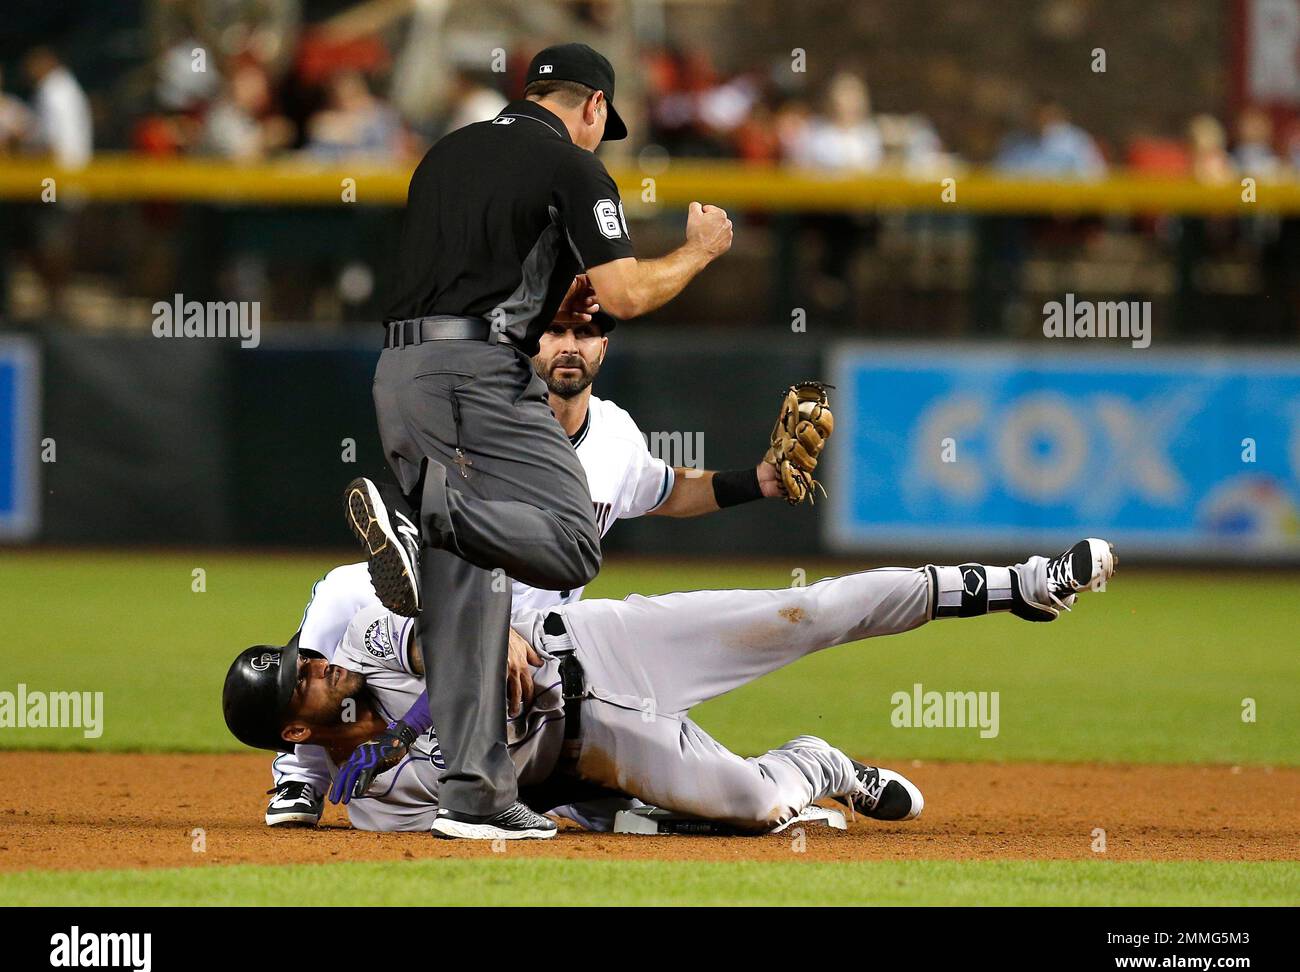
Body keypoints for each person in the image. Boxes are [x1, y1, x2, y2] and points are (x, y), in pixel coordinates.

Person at [357, 42, 732, 840]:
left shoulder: (447, 153)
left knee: (467, 589)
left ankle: (474, 796)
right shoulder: (571, 164)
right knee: (570, 537)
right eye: (605, 122)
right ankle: (430, 515)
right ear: (593, 106)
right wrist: (697, 251)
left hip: (399, 369)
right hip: (478, 372)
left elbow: (481, 269)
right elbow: (623, 293)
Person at [266, 309, 786, 826]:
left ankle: (566, 791)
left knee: (595, 791)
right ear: (525, 344)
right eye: (554, 331)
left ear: (603, 348)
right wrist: (478, 628)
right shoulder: (483, 420)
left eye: (585, 333)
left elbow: (667, 490)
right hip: (462, 605)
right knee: (341, 589)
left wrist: (758, 481)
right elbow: (433, 517)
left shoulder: (615, 433)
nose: (569, 345)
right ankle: (300, 775)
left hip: (547, 644)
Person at [224, 540, 1118, 834]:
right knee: (761, 806)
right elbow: (516, 821)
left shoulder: (374, 637)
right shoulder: (376, 805)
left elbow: (439, 622)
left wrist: (468, 644)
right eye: (300, 680)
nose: (316, 662)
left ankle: (1027, 584)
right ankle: (823, 763)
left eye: (302, 655)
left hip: (607, 649)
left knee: (808, 612)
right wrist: (595, 812)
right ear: (297, 735)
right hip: (604, 752)